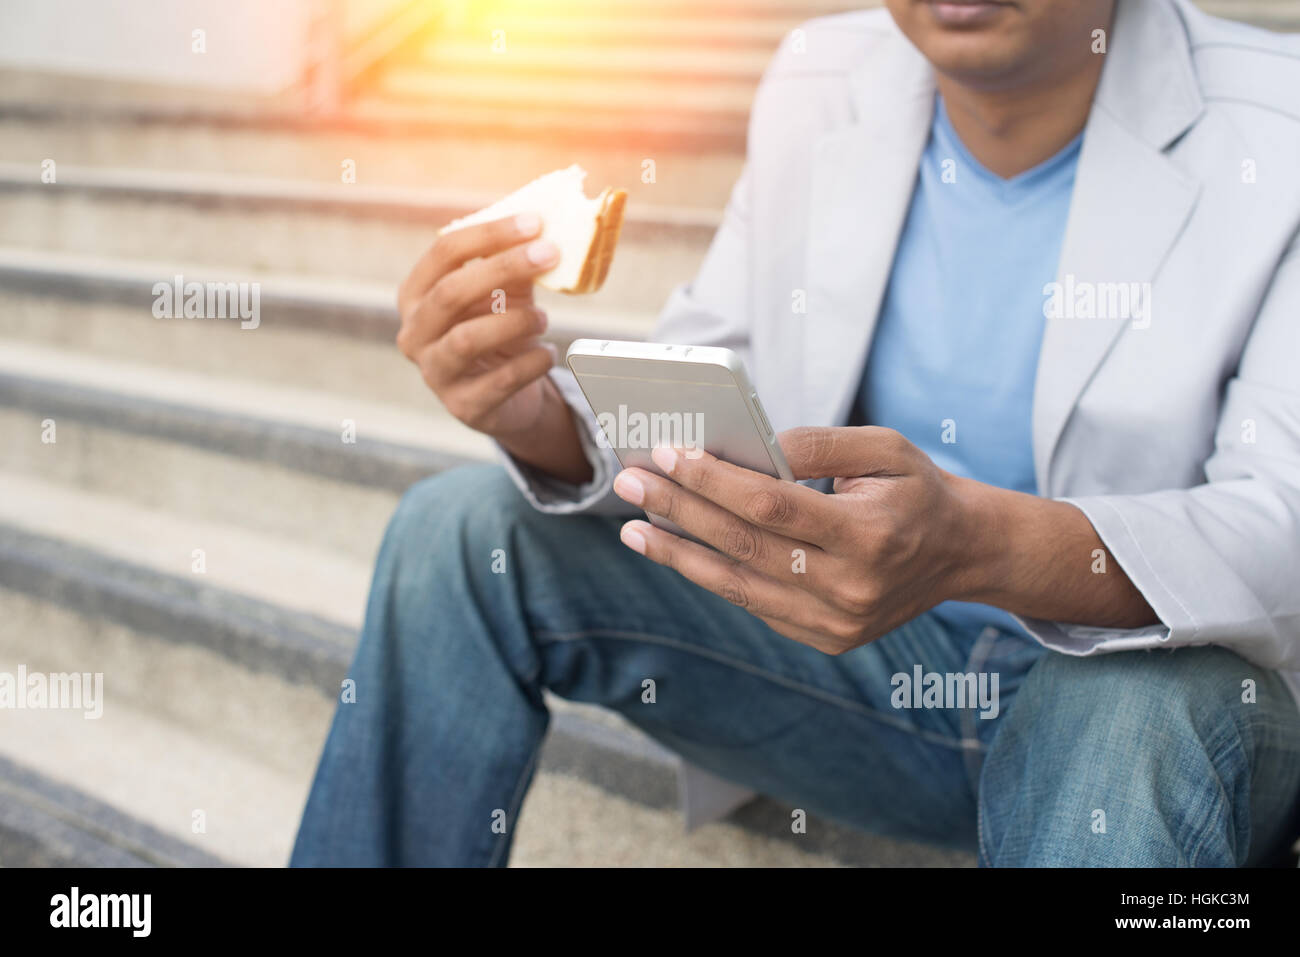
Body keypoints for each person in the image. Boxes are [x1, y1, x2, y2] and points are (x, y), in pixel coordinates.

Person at [291, 0, 1300, 866]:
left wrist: (977, 547)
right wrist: (539, 417)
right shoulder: (822, 76)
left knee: (1121, 711)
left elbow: (1281, 522)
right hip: (861, 672)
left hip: (1146, 708)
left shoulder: (1278, 120)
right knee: (459, 530)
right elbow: (707, 387)